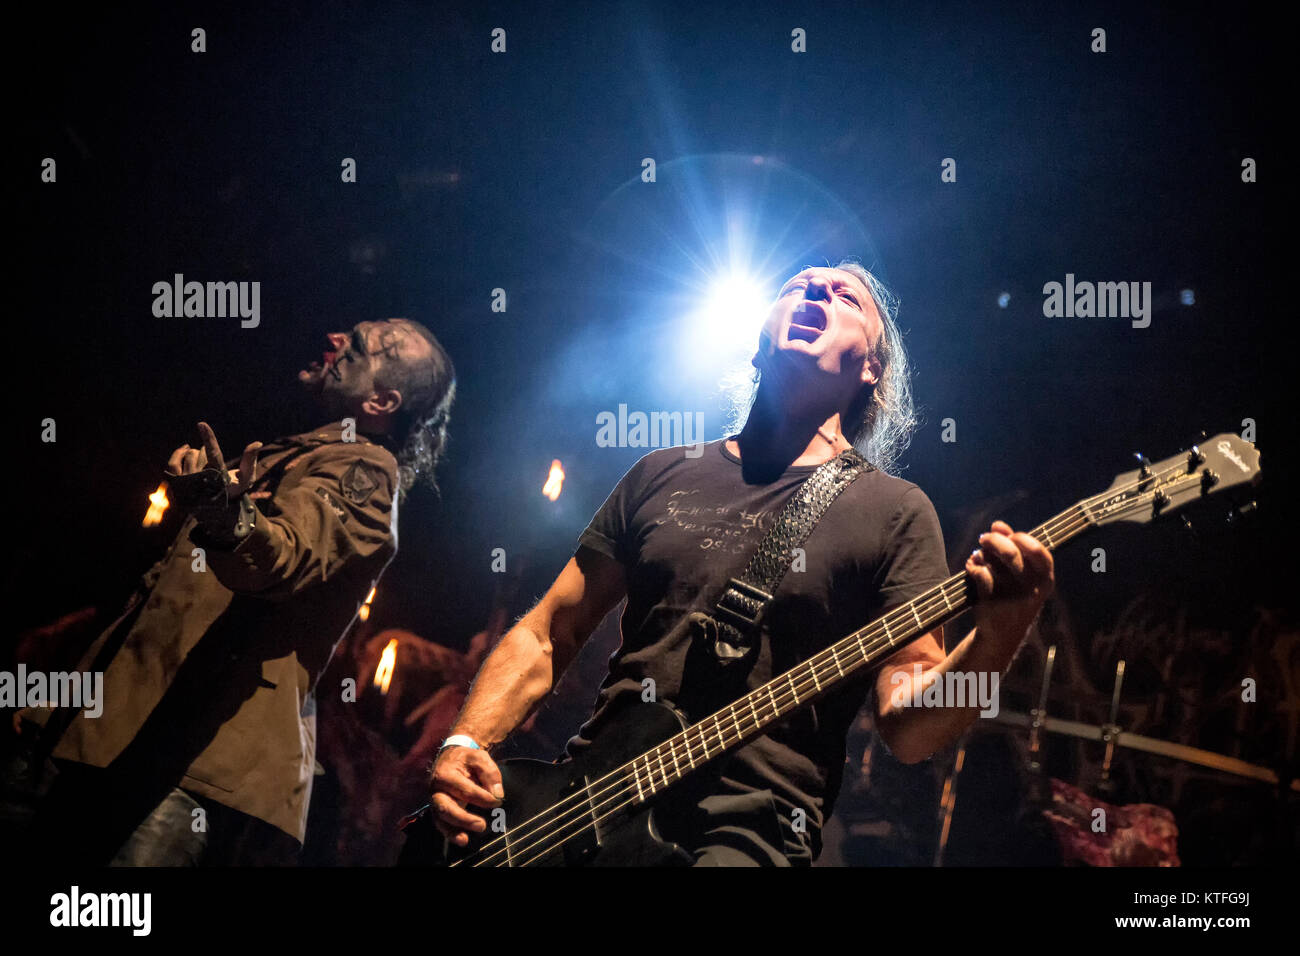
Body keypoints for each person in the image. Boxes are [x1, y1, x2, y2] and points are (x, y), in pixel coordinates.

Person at [428, 261, 1053, 866]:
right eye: (799, 286)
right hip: (582, 808)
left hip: (747, 832)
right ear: (757, 346)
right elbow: (547, 633)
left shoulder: (894, 511)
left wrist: (1000, 634)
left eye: (844, 296)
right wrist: (463, 742)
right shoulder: (661, 472)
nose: (815, 293)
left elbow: (909, 729)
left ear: (872, 369)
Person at [24, 318, 455, 865]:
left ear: (381, 402)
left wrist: (228, 519)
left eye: (358, 346)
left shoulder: (364, 471)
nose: (334, 339)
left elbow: (284, 558)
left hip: (188, 767)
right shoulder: (306, 452)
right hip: (132, 744)